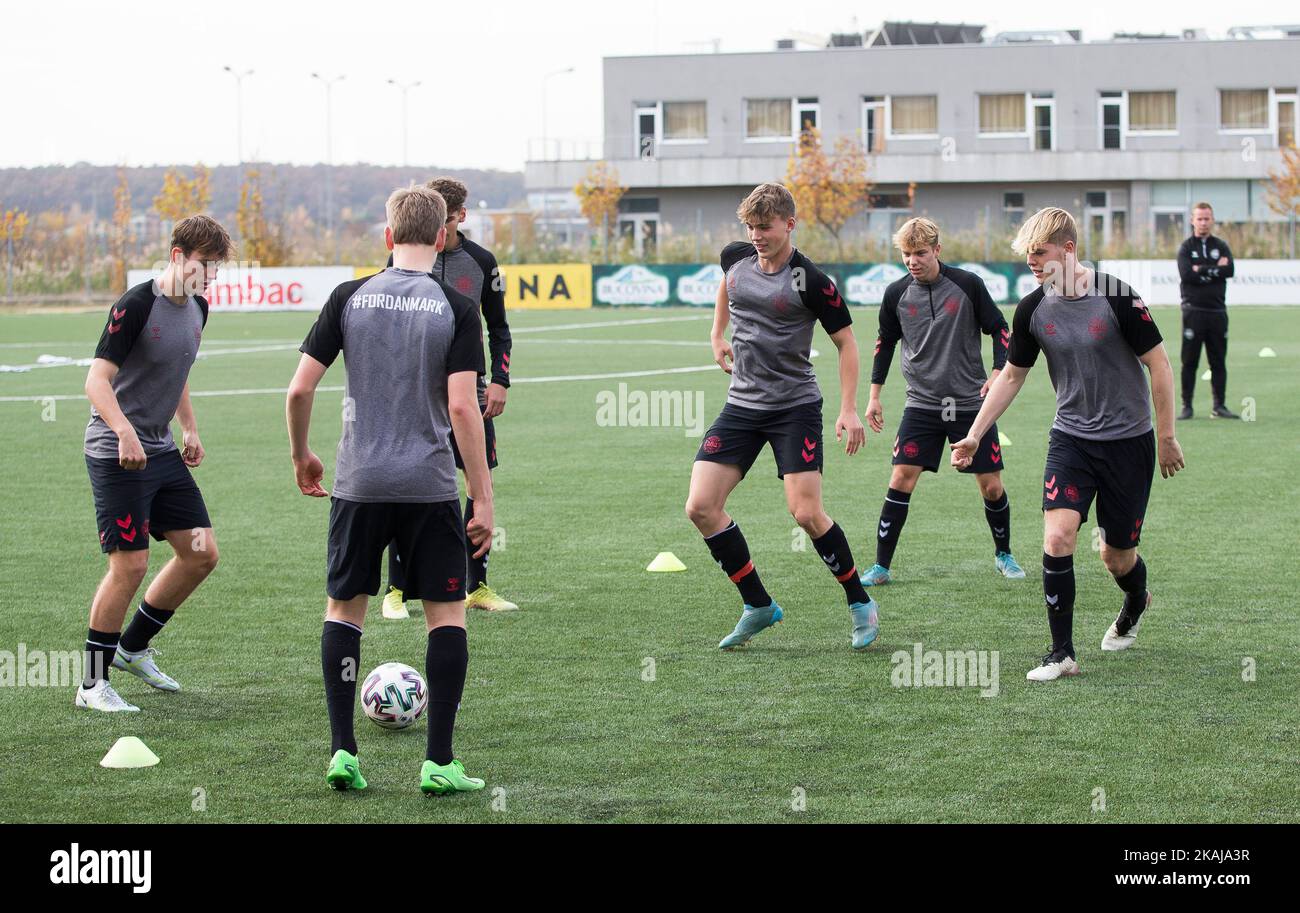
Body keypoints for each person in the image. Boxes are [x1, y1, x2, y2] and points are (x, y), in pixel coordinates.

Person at [287, 185, 492, 794]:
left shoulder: (348, 297)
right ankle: (439, 763)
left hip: (358, 481)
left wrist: (303, 456)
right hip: (427, 484)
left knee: (345, 610)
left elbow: (298, 390)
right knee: (446, 615)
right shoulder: (456, 306)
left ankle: (343, 752)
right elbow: (461, 405)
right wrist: (481, 495)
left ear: (386, 236)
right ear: (439, 238)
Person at [951, 208, 1185, 682]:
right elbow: (1013, 374)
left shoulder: (1116, 296)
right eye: (1028, 255)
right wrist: (975, 432)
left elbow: (1159, 365)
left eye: (1040, 252)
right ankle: (1061, 654)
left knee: (1115, 556)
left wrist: (1166, 436)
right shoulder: (1033, 307)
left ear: (1069, 248)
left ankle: (1136, 599)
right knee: (1058, 537)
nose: (1032, 263)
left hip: (1129, 442)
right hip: (1071, 438)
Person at [685, 182, 878, 651]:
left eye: (765, 227)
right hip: (742, 405)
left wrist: (849, 408)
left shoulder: (810, 279)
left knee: (806, 512)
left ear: (789, 224)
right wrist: (717, 333)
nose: (756, 235)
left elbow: (847, 343)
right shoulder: (736, 258)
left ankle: (859, 601)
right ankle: (758, 605)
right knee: (700, 507)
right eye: (750, 226)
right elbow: (726, 286)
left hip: (794, 407)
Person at [76, 215, 232, 713]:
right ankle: (90, 684)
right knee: (130, 565)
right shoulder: (137, 304)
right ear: (177, 256)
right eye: (204, 266)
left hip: (160, 450)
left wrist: (189, 427)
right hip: (116, 452)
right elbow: (96, 382)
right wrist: (123, 430)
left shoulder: (200, 309)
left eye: (216, 269)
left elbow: (177, 368)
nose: (209, 277)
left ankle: (133, 648)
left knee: (202, 552)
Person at [863, 217, 1023, 586]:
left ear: (937, 249)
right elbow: (885, 342)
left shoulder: (968, 285)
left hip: (970, 403)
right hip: (921, 404)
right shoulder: (895, 293)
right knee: (901, 477)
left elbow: (1000, 328)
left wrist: (999, 370)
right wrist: (874, 395)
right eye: (906, 254)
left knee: (991, 486)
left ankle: (1004, 554)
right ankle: (881, 566)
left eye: (920, 253)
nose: (912, 261)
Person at [382, 177, 517, 615]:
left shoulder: (482, 262)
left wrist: (499, 380)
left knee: (478, 482)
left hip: (469, 392)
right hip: (416, 392)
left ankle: (475, 585)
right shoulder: (402, 256)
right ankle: (396, 590)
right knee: (405, 479)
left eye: (449, 214)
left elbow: (498, 328)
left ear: (459, 216)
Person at [1176, 202, 1238, 419]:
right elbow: (1187, 275)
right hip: (1194, 312)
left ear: (1212, 220)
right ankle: (1187, 406)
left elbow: (1229, 270)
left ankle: (1219, 406)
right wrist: (1215, 270)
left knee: (1218, 361)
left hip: (1217, 312)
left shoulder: (1221, 246)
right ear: (1192, 220)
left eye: (1207, 218)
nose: (1203, 222)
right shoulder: (1185, 248)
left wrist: (1201, 269)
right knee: (1189, 361)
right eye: (1199, 218)